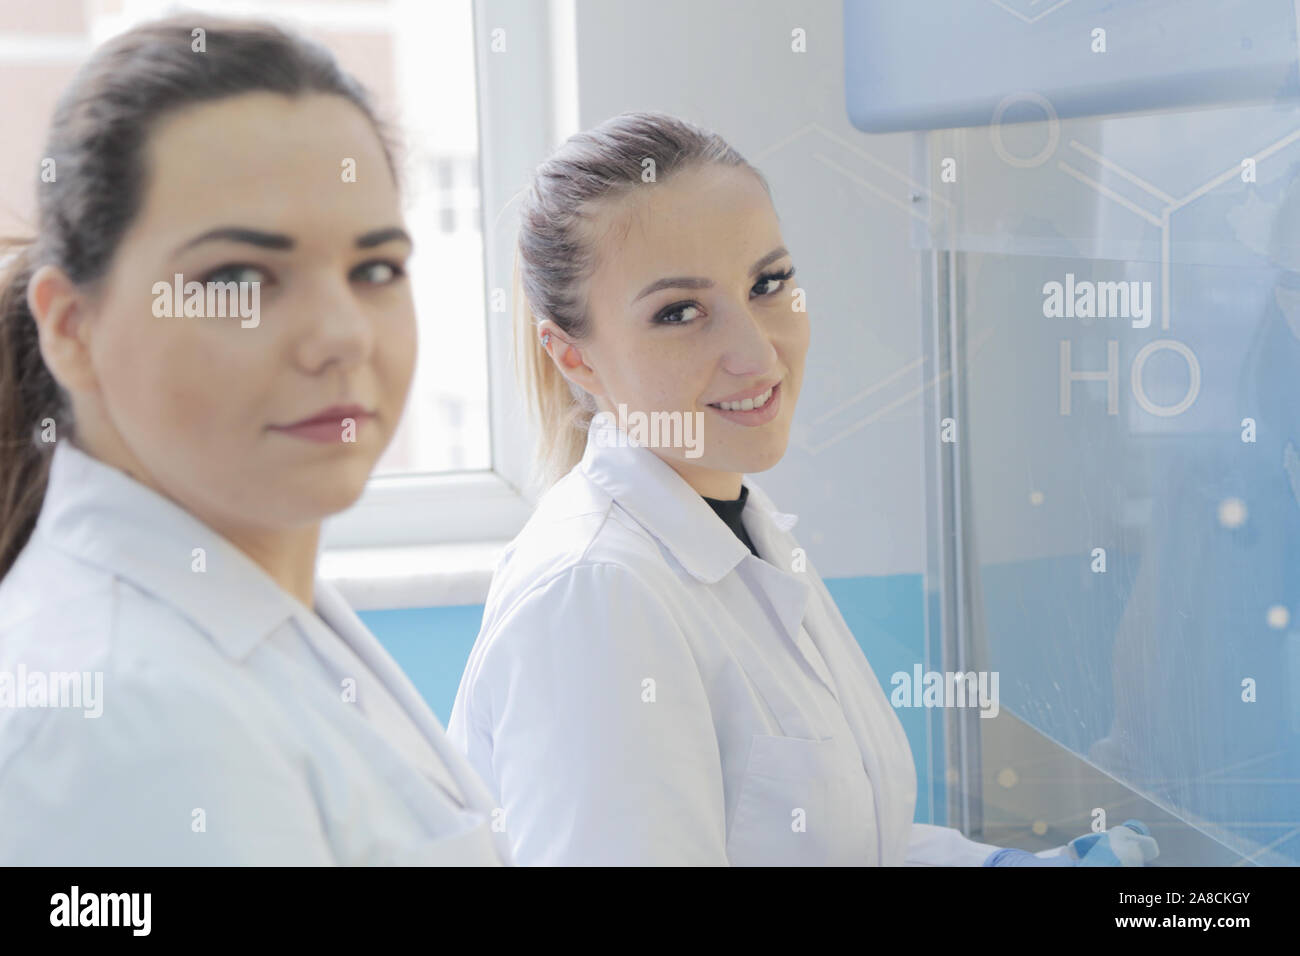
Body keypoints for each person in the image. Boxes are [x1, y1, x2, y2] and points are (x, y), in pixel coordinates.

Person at [446, 111, 1157, 866]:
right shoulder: (595, 595)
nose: (755, 353)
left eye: (768, 284)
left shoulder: (745, 533)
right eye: (679, 312)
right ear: (574, 358)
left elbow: (851, 845)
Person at [0, 17, 508, 866]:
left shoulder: (257, 603)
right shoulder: (125, 721)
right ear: (71, 326)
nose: (341, 335)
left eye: (374, 267)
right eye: (239, 278)